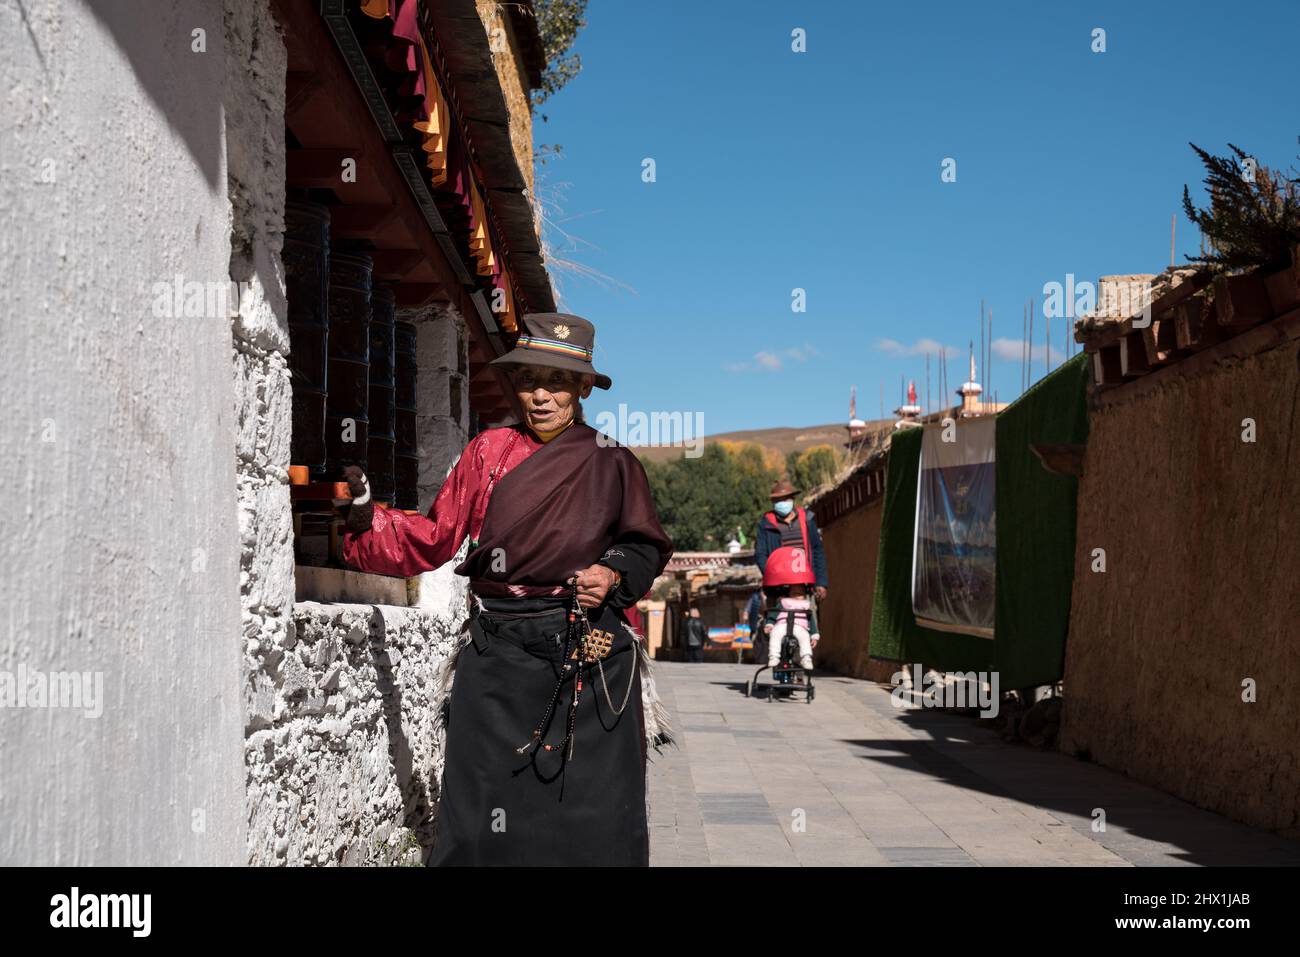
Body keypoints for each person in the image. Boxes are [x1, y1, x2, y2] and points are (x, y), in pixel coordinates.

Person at [338, 312, 673, 866]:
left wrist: (611, 573)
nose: (540, 395)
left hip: (584, 652)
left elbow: (644, 545)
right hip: (498, 651)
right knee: (483, 807)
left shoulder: (612, 460)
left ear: (584, 387)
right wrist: (362, 522)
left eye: (558, 382)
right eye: (529, 380)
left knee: (592, 811)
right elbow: (435, 537)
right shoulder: (487, 453)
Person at [754, 478, 828, 601]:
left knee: (805, 619)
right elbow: (760, 554)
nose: (782, 502)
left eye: (785, 498)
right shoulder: (766, 524)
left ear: (793, 499)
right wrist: (773, 576)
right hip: (777, 587)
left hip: (805, 585)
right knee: (777, 619)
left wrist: (820, 582)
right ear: (773, 501)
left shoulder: (807, 520)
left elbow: (817, 550)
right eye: (778, 500)